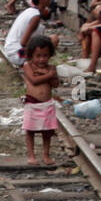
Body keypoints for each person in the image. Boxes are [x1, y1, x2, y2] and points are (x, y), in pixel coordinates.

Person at [21, 35, 60, 166]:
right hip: (32, 102)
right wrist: (48, 75)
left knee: (47, 131)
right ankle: (31, 155)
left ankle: (46, 154)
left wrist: (46, 74)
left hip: (46, 104)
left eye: (45, 55)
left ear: (50, 55)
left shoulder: (51, 67)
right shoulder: (28, 66)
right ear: (31, 55)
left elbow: (55, 84)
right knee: (30, 130)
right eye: (38, 56)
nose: (41, 59)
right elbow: (34, 80)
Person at [3, 0, 50, 67]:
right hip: (18, 54)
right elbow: (24, 42)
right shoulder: (35, 16)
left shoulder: (29, 11)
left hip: (11, 51)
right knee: (52, 41)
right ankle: (36, 66)